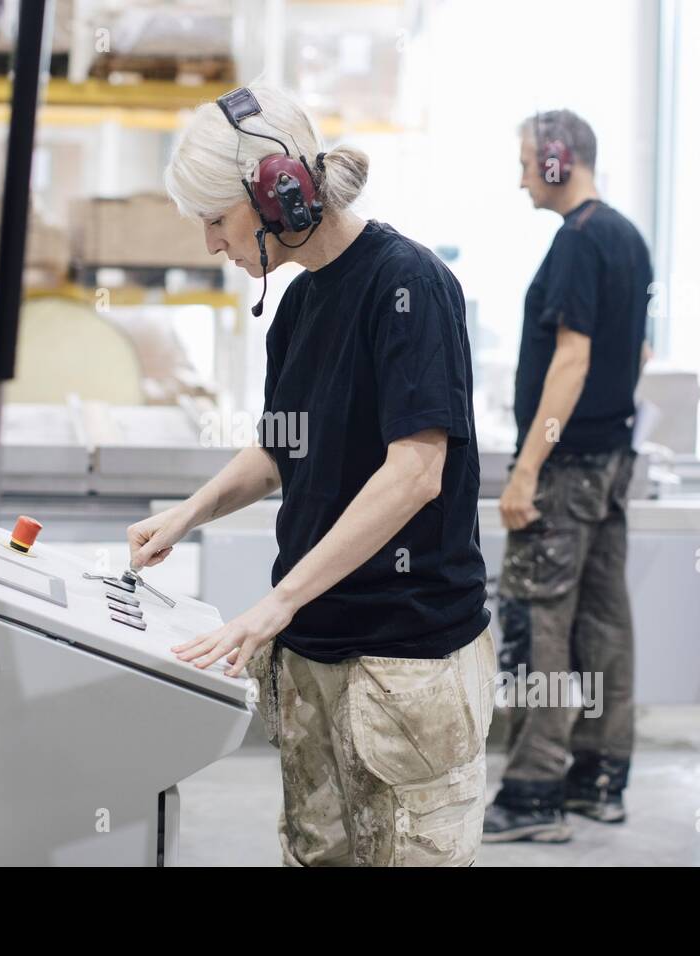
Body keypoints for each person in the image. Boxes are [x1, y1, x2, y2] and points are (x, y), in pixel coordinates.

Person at [128, 84, 495, 866]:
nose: (210, 244)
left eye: (217, 220)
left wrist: (275, 602)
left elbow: (416, 472)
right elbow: (278, 450)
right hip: (312, 654)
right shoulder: (297, 307)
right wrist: (187, 513)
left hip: (404, 661)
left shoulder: (410, 287)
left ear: (278, 196)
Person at [483, 109, 652, 843]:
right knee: (604, 620)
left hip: (566, 470)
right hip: (611, 464)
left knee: (536, 620)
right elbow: (637, 355)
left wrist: (527, 470)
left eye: (526, 161)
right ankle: (600, 778)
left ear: (557, 160)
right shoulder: (626, 236)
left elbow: (574, 360)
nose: (520, 175)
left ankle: (531, 792)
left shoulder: (578, 242)